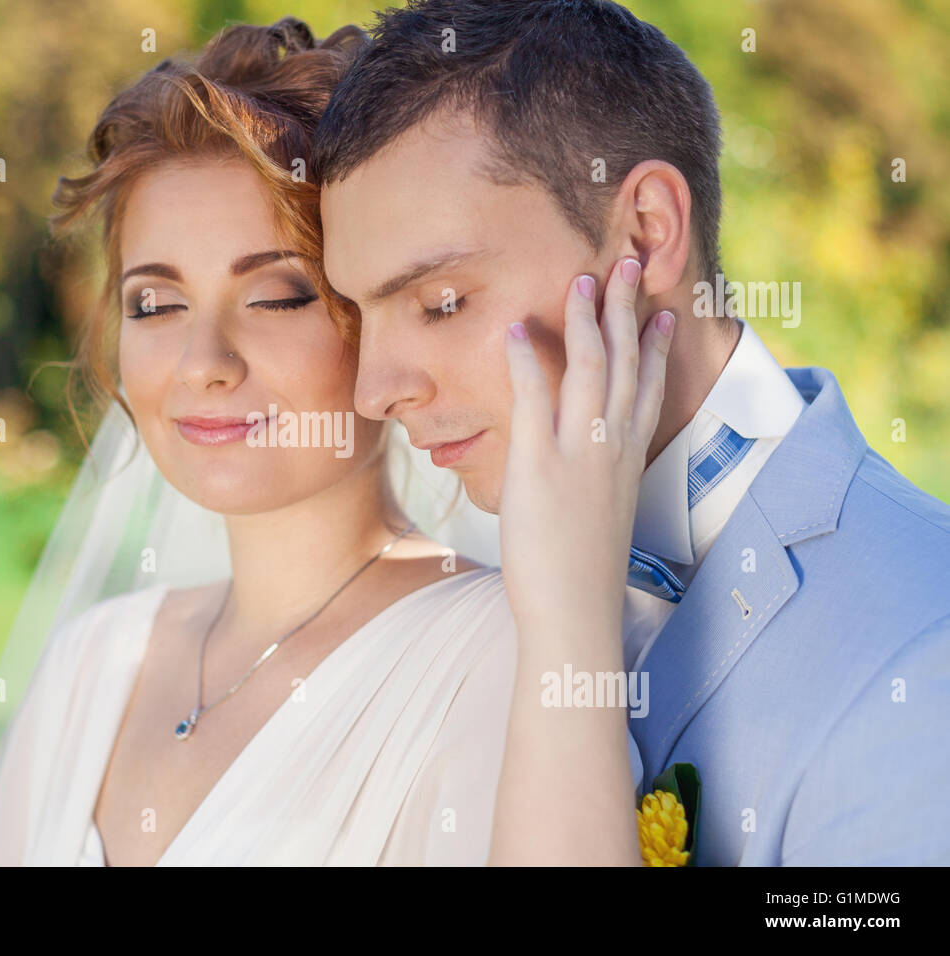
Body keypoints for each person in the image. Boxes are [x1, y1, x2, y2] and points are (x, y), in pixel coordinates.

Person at [315, 0, 950, 865]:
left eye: (441, 302)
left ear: (647, 235)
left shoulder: (924, 649)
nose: (372, 391)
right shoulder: (447, 610)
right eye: (359, 314)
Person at [0, 17, 533, 867]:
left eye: (276, 295)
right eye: (155, 303)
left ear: (377, 313)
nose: (204, 364)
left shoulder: (497, 651)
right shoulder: (92, 663)